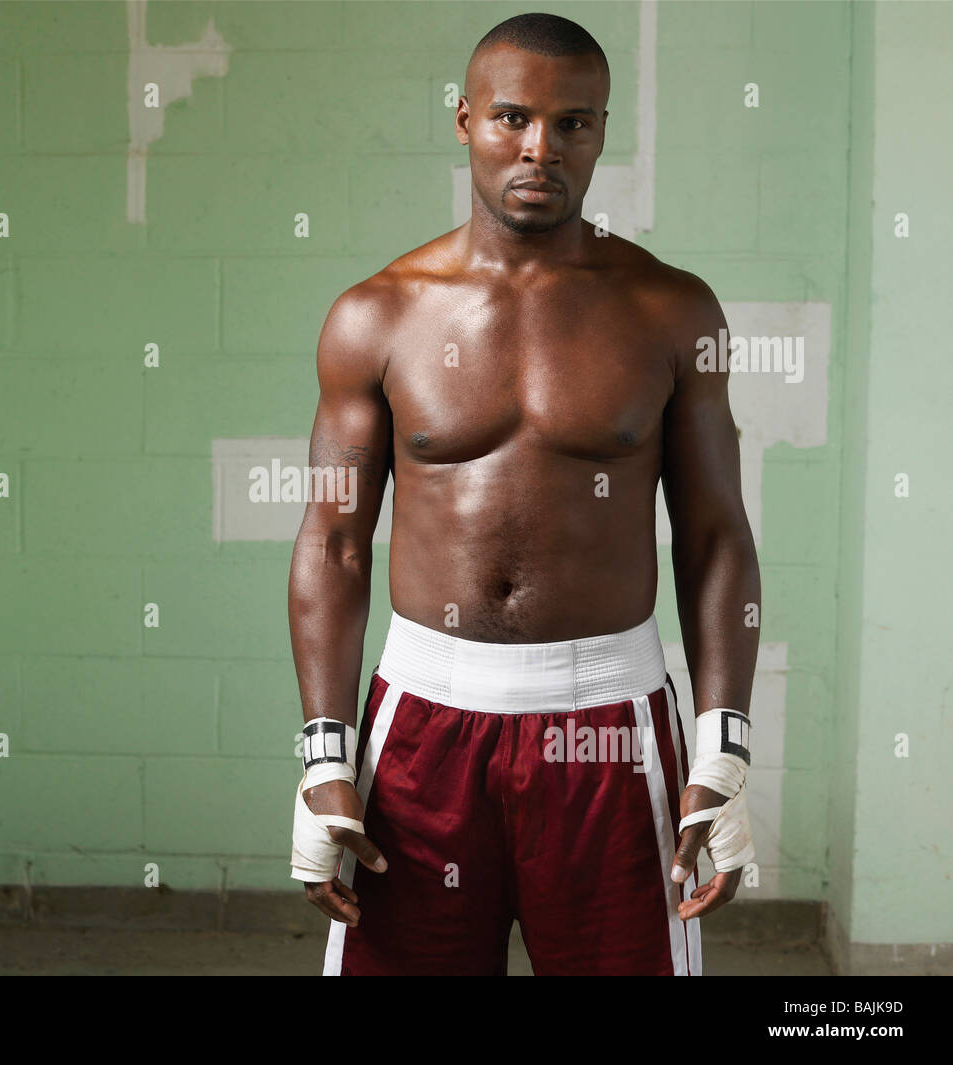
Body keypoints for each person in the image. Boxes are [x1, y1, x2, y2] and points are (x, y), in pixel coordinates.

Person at [286, 12, 760, 976]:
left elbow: (714, 537)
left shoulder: (671, 310)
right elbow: (334, 540)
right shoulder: (377, 314)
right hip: (420, 729)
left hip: (612, 726)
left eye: (575, 123)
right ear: (463, 120)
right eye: (512, 117)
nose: (542, 147)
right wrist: (325, 756)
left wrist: (722, 748)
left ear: (601, 130)